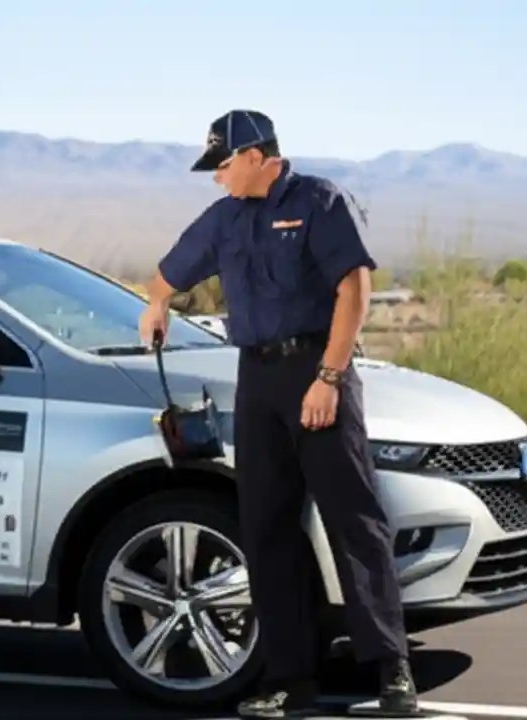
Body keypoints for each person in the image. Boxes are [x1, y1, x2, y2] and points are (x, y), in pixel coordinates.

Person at [138, 110, 420, 718]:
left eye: (221, 164)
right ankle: (291, 680)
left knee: (355, 521)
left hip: (317, 369)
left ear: (256, 156)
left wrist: (328, 378)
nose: (215, 177)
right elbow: (169, 270)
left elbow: (354, 290)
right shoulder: (225, 217)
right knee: (267, 529)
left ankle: (393, 672)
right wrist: (157, 303)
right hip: (257, 379)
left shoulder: (319, 201)